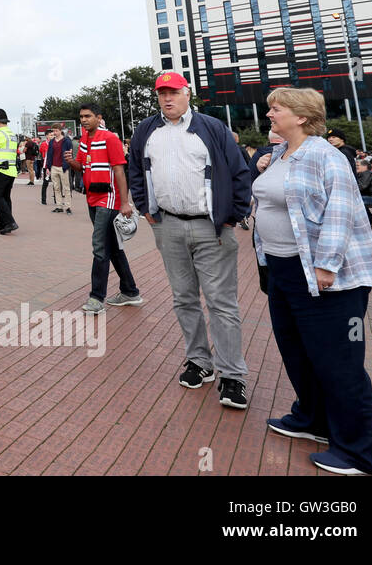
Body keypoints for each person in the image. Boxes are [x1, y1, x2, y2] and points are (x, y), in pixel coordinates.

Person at [252, 87, 372, 475]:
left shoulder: (325, 156)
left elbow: (341, 210)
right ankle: (313, 418)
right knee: (296, 350)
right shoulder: (281, 154)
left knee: (339, 362)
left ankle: (362, 455)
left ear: (300, 116)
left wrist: (326, 266)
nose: (270, 115)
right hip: (282, 271)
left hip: (324, 277)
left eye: (276, 109)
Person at [128, 70, 251, 409]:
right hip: (168, 225)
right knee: (183, 298)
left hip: (211, 227)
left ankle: (232, 375)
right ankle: (199, 361)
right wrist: (145, 207)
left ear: (187, 94)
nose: (167, 98)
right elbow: (135, 169)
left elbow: (240, 172)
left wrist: (232, 215)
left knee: (221, 302)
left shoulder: (211, 128)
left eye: (174, 92)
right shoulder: (146, 130)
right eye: (161, 93)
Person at [68, 103, 141, 312]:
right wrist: (71, 161)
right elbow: (81, 165)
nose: (83, 120)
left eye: (88, 116)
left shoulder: (110, 138)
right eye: (81, 116)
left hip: (108, 200)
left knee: (100, 246)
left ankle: (97, 298)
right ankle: (130, 291)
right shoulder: (84, 138)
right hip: (92, 198)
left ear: (98, 118)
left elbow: (119, 170)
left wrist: (124, 202)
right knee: (114, 247)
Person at [42, 124, 74, 214]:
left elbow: (70, 154)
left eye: (56, 131)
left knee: (66, 188)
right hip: (54, 167)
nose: (54, 133)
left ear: (60, 130)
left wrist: (67, 165)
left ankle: (68, 207)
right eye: (53, 131)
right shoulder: (52, 142)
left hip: (63, 167)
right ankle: (59, 206)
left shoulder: (67, 141)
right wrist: (48, 167)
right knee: (56, 187)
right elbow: (49, 155)